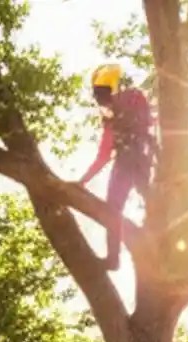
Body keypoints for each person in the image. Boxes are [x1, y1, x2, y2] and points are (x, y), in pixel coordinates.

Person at [77, 63, 156, 271]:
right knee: (113, 208)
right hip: (131, 161)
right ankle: (114, 258)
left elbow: (149, 120)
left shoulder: (133, 98)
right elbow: (103, 154)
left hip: (139, 157)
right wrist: (83, 181)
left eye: (101, 94)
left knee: (144, 200)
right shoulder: (112, 119)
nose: (102, 100)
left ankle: (149, 245)